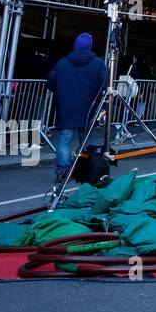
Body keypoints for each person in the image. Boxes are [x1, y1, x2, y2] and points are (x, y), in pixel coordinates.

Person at [45, 33, 107, 194]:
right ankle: (87, 170)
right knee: (86, 141)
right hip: (88, 108)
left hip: (65, 107)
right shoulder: (98, 64)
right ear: (90, 46)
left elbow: (51, 82)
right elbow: (104, 86)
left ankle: (62, 172)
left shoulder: (62, 63)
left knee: (65, 140)